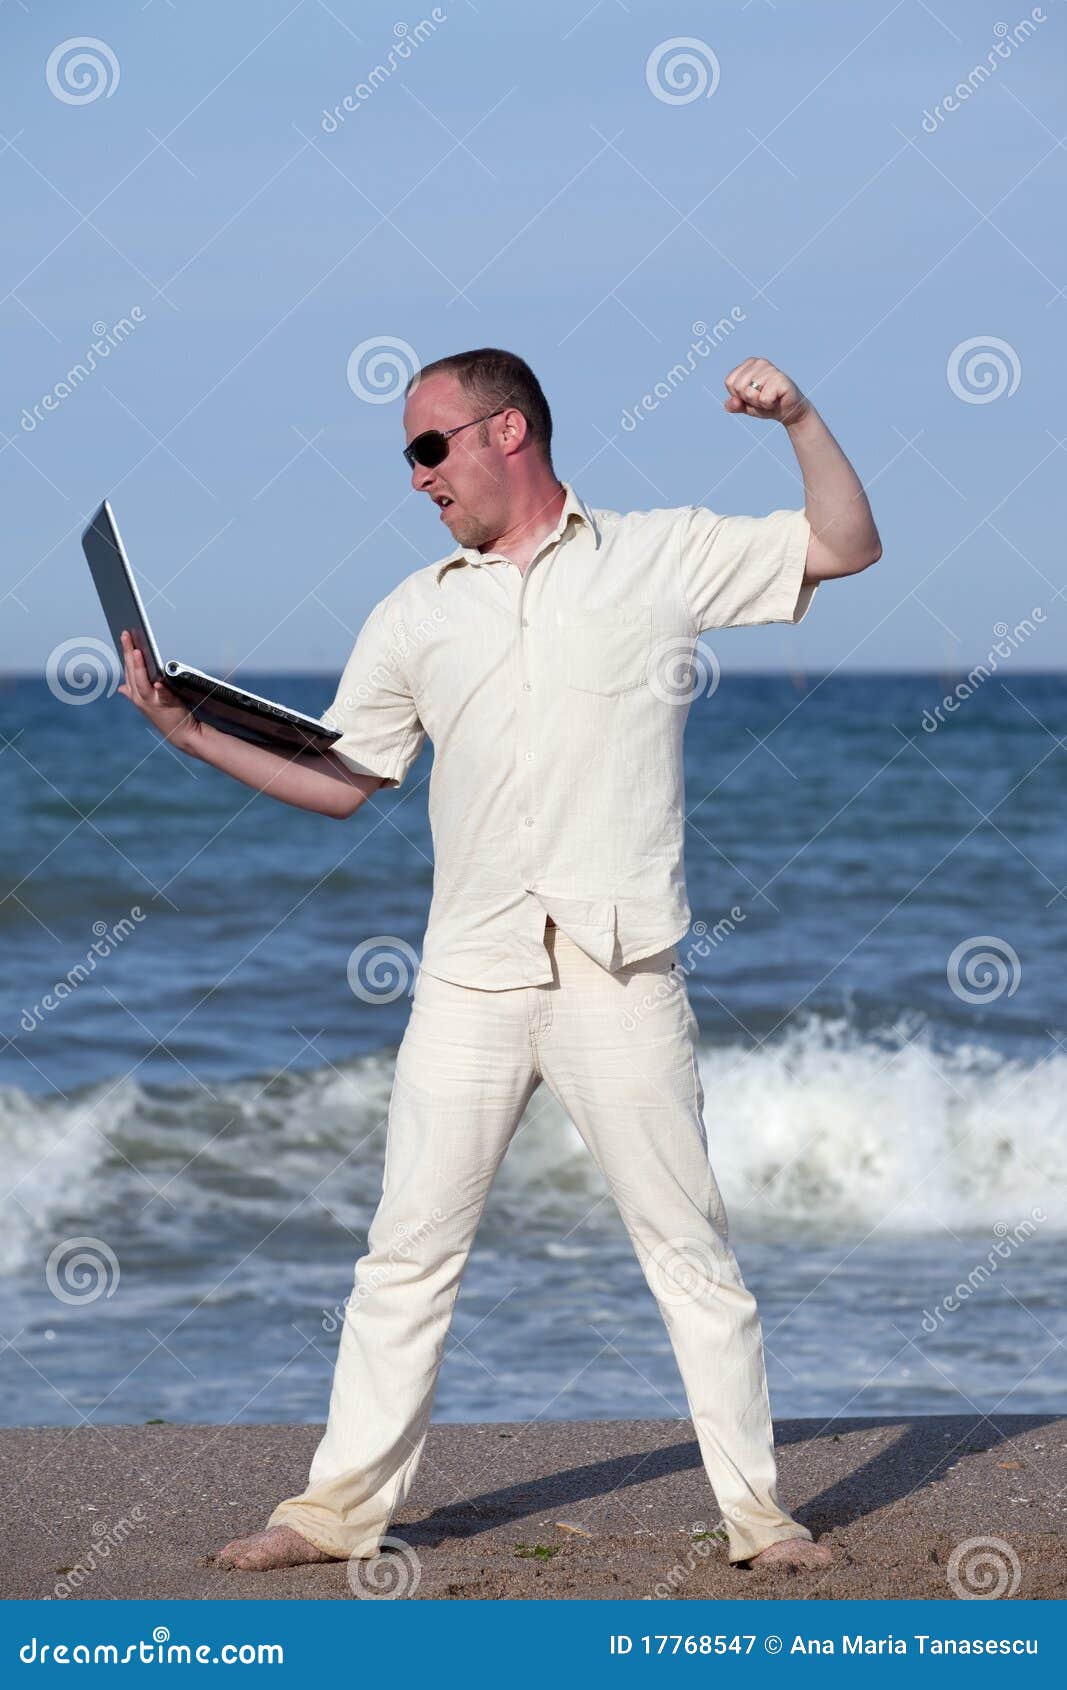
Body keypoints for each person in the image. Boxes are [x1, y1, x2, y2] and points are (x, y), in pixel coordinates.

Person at [118, 347, 880, 1574]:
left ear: (505, 432)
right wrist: (188, 732)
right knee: (406, 1251)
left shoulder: (656, 552)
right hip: (470, 977)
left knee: (691, 1255)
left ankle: (757, 1514)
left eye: (428, 448)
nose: (415, 478)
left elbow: (843, 544)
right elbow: (343, 782)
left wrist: (792, 415)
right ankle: (331, 1513)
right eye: (408, 457)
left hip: (618, 968)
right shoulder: (414, 610)